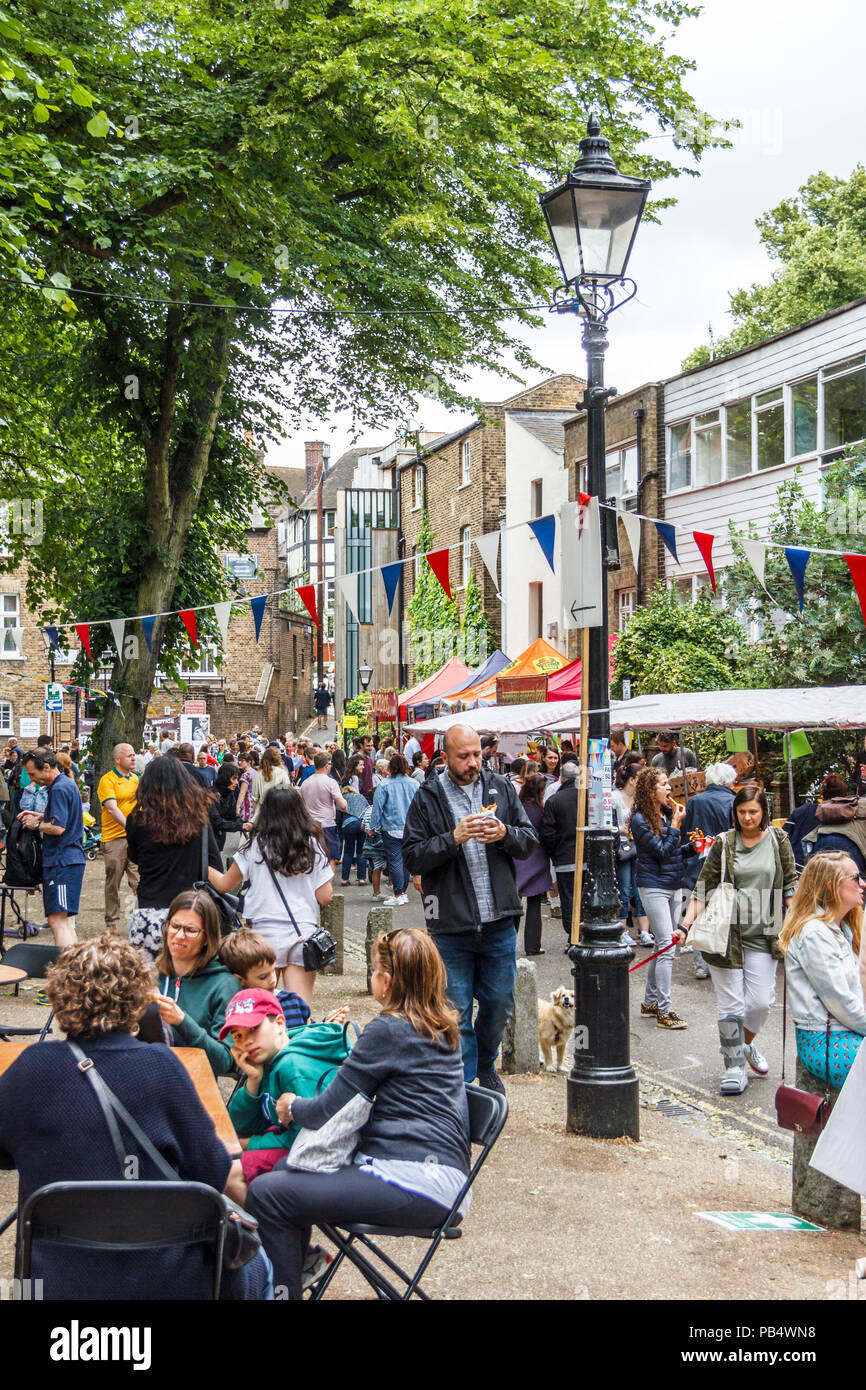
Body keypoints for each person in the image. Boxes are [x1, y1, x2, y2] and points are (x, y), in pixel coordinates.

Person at [0, 934, 272, 1301]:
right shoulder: (165, 1067)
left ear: (59, 994)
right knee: (262, 1265)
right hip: (172, 1279)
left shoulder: (30, 1069)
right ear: (137, 1001)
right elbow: (210, 1172)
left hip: (57, 1282)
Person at [245, 927, 471, 1301]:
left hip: (414, 1182)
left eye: (373, 972)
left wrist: (289, 1107)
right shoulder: (441, 1027)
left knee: (267, 1195)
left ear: (386, 981)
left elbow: (320, 1113)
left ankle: (283, 1291)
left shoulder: (387, 1029)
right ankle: (293, 1274)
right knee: (285, 1171)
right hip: (443, 1180)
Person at [402, 723, 538, 1092]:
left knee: (498, 1005)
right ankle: (463, 1086)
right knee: (455, 1011)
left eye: (478, 754)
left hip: (499, 920)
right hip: (450, 925)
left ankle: (485, 1061)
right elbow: (412, 857)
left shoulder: (501, 788)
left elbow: (529, 841)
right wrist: (453, 838)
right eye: (464, 756)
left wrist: (505, 834)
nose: (474, 762)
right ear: (445, 757)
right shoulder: (428, 796)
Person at [681, 783, 798, 1093]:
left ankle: (743, 1046)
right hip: (725, 934)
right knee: (730, 1005)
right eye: (742, 812)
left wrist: (801, 923)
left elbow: (790, 886)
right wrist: (685, 924)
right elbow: (703, 887)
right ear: (735, 813)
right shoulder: (724, 843)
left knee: (761, 1002)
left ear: (764, 813)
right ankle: (733, 1067)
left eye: (753, 812)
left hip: (766, 931)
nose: (748, 817)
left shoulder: (778, 839)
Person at [208, 786, 334, 1007]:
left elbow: (224, 884)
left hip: (263, 935)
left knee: (263, 1011)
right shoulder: (312, 845)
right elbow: (325, 897)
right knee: (300, 1012)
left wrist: (203, 866)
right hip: (302, 933)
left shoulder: (254, 847)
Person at [780, 851, 866, 1086]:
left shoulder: (844, 927)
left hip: (847, 1032)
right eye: (855, 878)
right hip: (826, 1040)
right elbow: (839, 1000)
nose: (862, 884)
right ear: (831, 887)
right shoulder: (814, 934)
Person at [125, 755, 222, 964]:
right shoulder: (198, 820)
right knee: (188, 982)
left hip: (149, 913)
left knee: (147, 985)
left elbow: (133, 857)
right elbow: (215, 863)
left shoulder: (136, 821)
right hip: (190, 914)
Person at [630, 767, 697, 1030]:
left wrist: (693, 847)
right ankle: (665, 1011)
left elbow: (672, 852)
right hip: (653, 886)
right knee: (668, 946)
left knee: (661, 945)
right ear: (650, 790)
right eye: (664, 784)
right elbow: (659, 852)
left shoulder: (666, 816)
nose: (670, 789)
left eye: (668, 784)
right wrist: (677, 826)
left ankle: (650, 1002)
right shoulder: (639, 820)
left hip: (672, 884)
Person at [153, 890, 241, 1075]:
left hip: (195, 1087)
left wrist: (182, 1021)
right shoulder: (151, 976)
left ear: (207, 938)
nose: (178, 936)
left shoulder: (224, 984)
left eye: (191, 930)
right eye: (174, 926)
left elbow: (224, 1061)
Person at [17, 749, 84, 948]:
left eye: (32, 774)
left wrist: (35, 825)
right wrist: (40, 816)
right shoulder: (66, 784)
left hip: (63, 862)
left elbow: (58, 827)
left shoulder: (59, 788)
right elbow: (61, 817)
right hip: (65, 860)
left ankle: (71, 969)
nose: (32, 779)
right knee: (60, 920)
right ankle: (72, 968)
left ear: (46, 768)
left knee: (57, 920)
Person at [679, 761, 738, 978]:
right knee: (724, 912)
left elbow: (688, 834)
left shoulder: (695, 802)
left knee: (698, 910)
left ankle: (701, 963)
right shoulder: (733, 802)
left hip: (698, 861)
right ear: (727, 781)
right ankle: (721, 959)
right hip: (725, 864)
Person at [219, 928, 312, 1028]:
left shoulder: (292, 1002)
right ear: (240, 980)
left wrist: (327, 1023)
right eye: (263, 977)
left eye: (273, 970)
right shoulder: (238, 1013)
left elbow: (311, 1030)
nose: (272, 980)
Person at [96, 741, 141, 935]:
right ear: (117, 759)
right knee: (113, 882)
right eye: (129, 755)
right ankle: (112, 923)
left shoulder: (135, 780)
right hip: (114, 839)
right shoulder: (108, 780)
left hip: (134, 839)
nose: (133, 758)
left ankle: (141, 919)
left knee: (140, 881)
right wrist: (131, 827)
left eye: (134, 755)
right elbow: (112, 808)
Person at [612, 759, 653, 949]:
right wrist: (623, 831)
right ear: (632, 780)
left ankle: (645, 931)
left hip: (641, 847)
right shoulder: (615, 797)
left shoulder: (641, 800)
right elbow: (610, 824)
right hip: (623, 849)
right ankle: (622, 932)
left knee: (641, 889)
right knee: (624, 888)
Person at [370, 753, 418, 907]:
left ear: (390, 767)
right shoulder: (414, 784)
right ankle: (402, 892)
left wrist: (373, 827)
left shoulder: (384, 785)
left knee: (395, 861)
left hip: (390, 827)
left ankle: (398, 893)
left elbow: (377, 808)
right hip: (410, 827)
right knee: (404, 861)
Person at [539, 762, 579, 940]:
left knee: (568, 898)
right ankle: (581, 933)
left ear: (561, 778)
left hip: (564, 859)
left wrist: (553, 852)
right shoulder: (587, 798)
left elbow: (548, 832)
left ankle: (573, 935)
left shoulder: (554, 800)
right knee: (585, 897)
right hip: (585, 857)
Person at [516, 773, 554, 956]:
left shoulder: (517, 806)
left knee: (514, 905)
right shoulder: (540, 810)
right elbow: (547, 833)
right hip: (537, 858)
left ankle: (508, 942)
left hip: (517, 858)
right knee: (534, 904)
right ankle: (533, 946)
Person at [783, 773, 849, 869]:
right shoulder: (848, 817)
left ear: (822, 791)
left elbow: (782, 838)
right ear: (845, 794)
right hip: (834, 873)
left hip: (798, 870)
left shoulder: (803, 811)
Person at [300, 750, 347, 866]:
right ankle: (328, 884)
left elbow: (302, 805)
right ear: (327, 765)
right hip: (327, 825)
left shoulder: (305, 783)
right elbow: (342, 805)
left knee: (313, 860)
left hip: (311, 826)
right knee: (330, 858)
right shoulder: (330, 782)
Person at [211, 761, 250, 863]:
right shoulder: (210, 795)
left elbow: (232, 816)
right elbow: (217, 822)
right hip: (208, 844)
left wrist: (245, 823)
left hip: (219, 842)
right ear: (225, 779)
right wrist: (241, 826)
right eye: (234, 779)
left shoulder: (229, 794)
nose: (237, 782)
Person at [339, 774, 369, 887]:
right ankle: (361, 879)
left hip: (348, 824)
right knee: (361, 851)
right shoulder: (360, 797)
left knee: (348, 851)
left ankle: (344, 880)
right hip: (362, 824)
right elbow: (367, 809)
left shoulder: (343, 798)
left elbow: (338, 813)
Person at [251, 745, 292, 821]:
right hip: (279, 809)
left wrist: (254, 816)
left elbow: (255, 798)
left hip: (263, 811)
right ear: (276, 758)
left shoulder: (258, 774)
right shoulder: (282, 772)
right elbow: (287, 791)